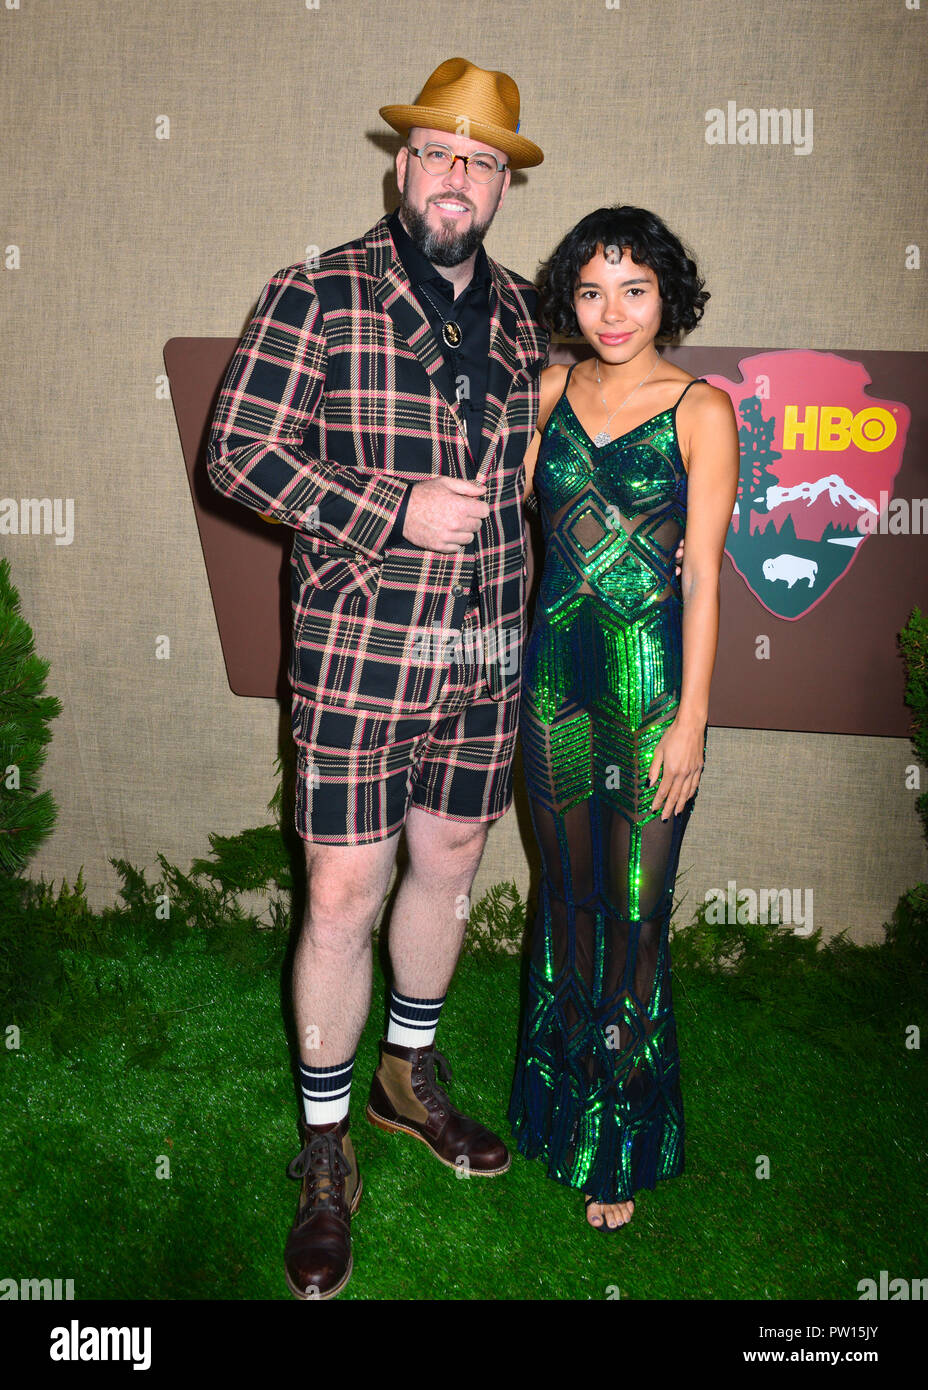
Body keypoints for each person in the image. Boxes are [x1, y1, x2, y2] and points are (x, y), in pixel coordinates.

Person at [206, 58, 548, 1299]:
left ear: (502, 188)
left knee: (452, 863)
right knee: (343, 891)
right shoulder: (315, 292)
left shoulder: (522, 314)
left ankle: (409, 1076)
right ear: (402, 165)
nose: (460, 178)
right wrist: (383, 507)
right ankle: (322, 1142)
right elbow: (236, 451)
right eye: (440, 154)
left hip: (488, 648)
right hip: (359, 646)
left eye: (486, 163)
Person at [508, 206, 739, 1232]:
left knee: (636, 910)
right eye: (593, 289)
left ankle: (619, 1140)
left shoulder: (699, 408)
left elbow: (705, 582)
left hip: (649, 697)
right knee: (566, 901)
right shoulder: (548, 390)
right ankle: (552, 1109)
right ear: (572, 296)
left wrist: (691, 717)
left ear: (666, 299)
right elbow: (515, 534)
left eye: (634, 288)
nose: (611, 310)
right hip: (550, 683)